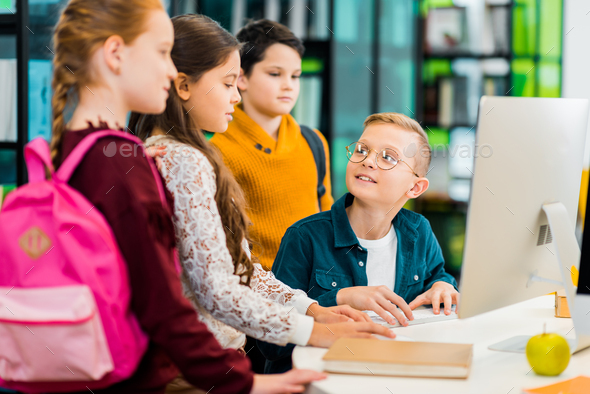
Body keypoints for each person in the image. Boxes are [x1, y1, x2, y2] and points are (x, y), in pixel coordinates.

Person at [49, 1, 325, 392]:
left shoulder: (108, 150)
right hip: (177, 374)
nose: (168, 68)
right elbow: (170, 302)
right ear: (114, 54)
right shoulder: (140, 159)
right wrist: (251, 379)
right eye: (161, 52)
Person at [129, 14, 393, 388]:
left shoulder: (165, 152)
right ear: (184, 86)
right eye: (227, 83)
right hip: (198, 370)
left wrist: (313, 310)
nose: (236, 95)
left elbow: (240, 268)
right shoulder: (185, 160)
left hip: (201, 362)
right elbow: (218, 290)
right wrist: (311, 329)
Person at [261, 112, 460, 373]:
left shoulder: (419, 231)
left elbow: (438, 276)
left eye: (388, 157)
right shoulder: (304, 237)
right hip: (319, 379)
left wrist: (443, 285)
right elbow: (270, 343)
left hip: (393, 373)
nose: (367, 161)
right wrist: (340, 298)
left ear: (415, 188)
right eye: (361, 150)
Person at [209, 19, 334, 271]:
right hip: (259, 294)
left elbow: (329, 223)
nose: (288, 84)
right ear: (241, 78)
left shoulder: (314, 141)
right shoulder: (218, 151)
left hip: (319, 292)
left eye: (296, 76)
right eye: (275, 74)